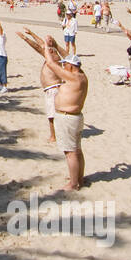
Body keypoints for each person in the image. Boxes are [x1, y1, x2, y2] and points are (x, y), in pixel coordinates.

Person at [43, 44, 88, 190]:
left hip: (67, 117)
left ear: (71, 66)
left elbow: (50, 63)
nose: (63, 67)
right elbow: (68, 56)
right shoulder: (82, 76)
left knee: (70, 152)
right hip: (75, 117)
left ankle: (74, 184)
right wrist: (55, 45)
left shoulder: (73, 78)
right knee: (77, 150)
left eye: (65, 65)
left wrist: (45, 46)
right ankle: (79, 179)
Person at [18, 29, 62, 143]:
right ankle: (56, 134)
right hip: (51, 88)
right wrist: (32, 33)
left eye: (48, 41)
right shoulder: (51, 51)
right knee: (53, 113)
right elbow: (41, 44)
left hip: (53, 89)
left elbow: (38, 48)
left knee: (52, 115)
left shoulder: (53, 55)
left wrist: (25, 38)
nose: (45, 43)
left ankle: (54, 136)